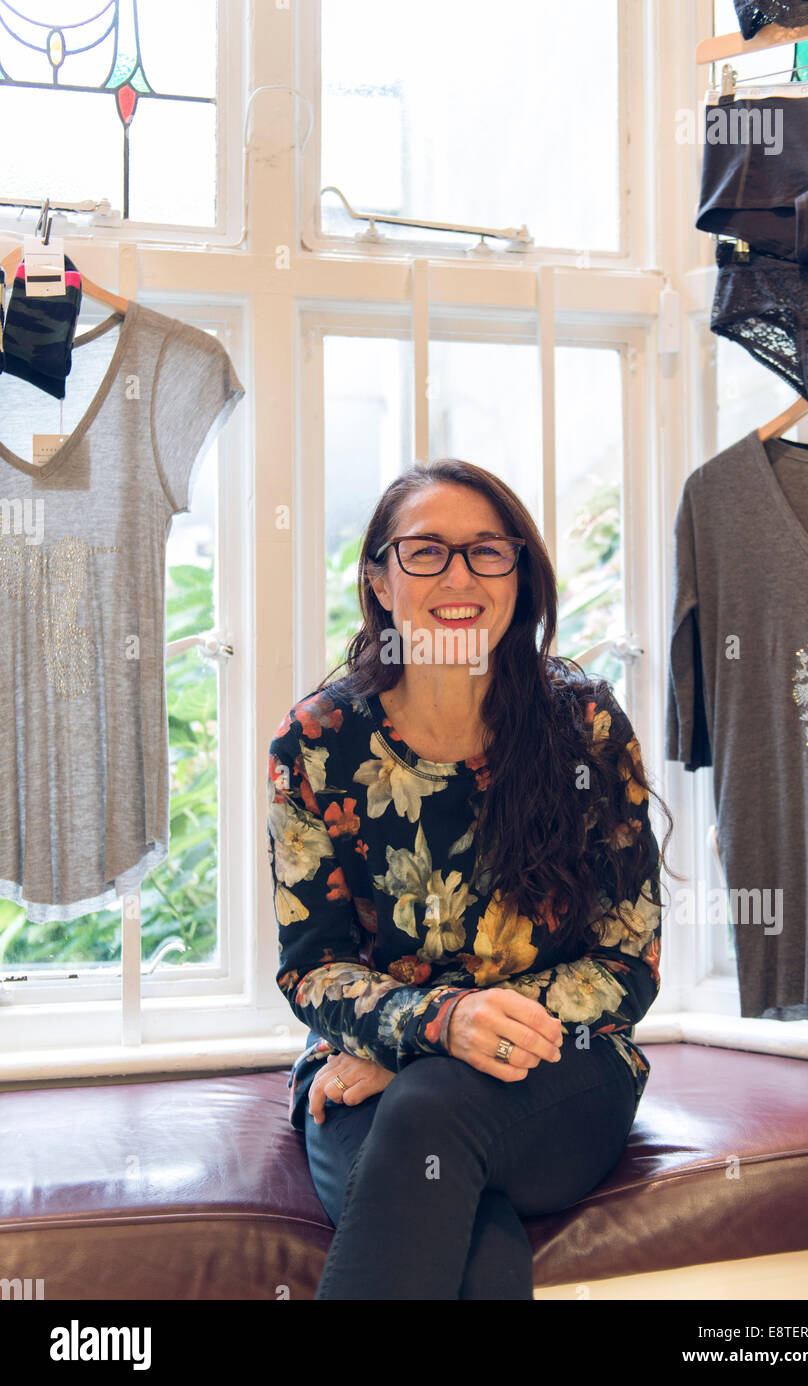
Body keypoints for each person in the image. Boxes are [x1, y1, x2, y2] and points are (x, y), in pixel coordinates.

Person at [266, 457, 678, 1300]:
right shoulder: (316, 742)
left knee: (428, 1112)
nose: (458, 576)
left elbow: (627, 963)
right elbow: (312, 965)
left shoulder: (585, 725)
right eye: (425, 552)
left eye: (486, 551)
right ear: (380, 580)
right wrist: (435, 1028)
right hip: (370, 1069)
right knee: (472, 1246)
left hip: (561, 1071)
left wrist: (447, 1045)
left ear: (517, 574)